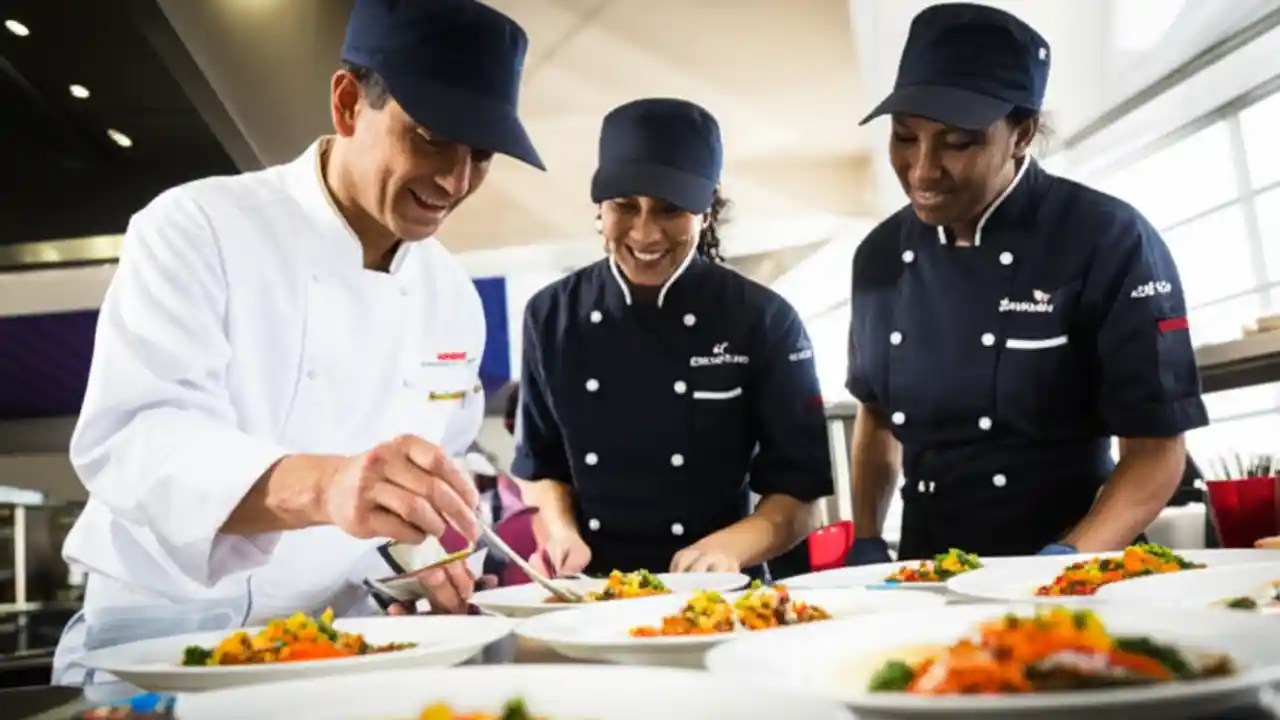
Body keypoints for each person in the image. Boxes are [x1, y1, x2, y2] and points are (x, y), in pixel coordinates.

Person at [53, 0, 543, 685]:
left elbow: (440, 459)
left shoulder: (454, 296)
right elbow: (137, 438)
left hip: (343, 649)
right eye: (430, 136)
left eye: (481, 155)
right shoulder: (196, 227)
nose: (455, 181)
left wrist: (421, 571)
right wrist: (331, 485)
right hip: (164, 642)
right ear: (348, 104)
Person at [844, 3, 1208, 564]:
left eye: (956, 143)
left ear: (1022, 133)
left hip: (1081, 561)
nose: (922, 170)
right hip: (925, 569)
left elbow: (1157, 451)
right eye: (904, 138)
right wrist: (866, 535)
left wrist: (1065, 561)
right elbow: (875, 413)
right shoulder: (878, 257)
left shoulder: (1107, 239)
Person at [513, 98, 832, 579]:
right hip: (592, 593)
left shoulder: (763, 320)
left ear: (706, 212)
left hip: (718, 592)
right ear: (600, 206)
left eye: (670, 210)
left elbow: (800, 498)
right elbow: (542, 470)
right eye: (625, 206)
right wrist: (560, 532)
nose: (645, 232)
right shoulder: (550, 315)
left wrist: (728, 549)